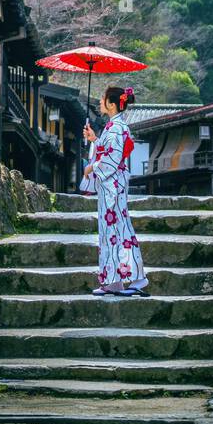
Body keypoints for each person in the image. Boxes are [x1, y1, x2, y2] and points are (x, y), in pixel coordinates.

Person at [82, 84, 149, 297]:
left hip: (113, 186)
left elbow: (111, 159)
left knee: (115, 232)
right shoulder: (115, 127)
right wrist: (95, 140)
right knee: (116, 232)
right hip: (112, 186)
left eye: (103, 99)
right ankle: (118, 281)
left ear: (111, 105)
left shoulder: (116, 128)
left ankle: (125, 280)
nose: (100, 102)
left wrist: (92, 166)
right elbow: (109, 150)